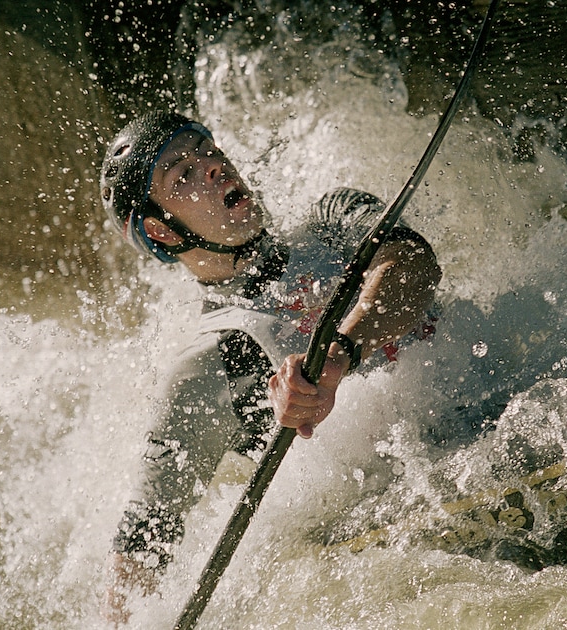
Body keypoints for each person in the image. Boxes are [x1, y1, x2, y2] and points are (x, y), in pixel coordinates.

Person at [97, 111, 441, 622]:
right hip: (419, 487)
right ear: (162, 232)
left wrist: (339, 355)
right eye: (182, 173)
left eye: (206, 149)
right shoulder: (212, 365)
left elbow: (414, 266)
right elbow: (144, 535)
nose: (212, 166)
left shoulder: (333, 217)